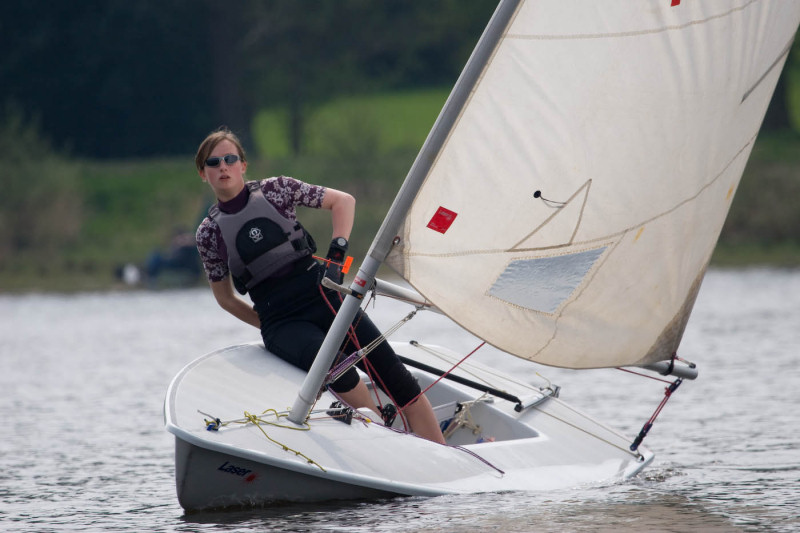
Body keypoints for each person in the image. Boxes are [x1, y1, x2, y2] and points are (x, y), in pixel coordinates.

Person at [194, 127, 445, 444]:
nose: (223, 167)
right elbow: (225, 299)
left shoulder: (277, 189)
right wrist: (268, 325)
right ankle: (384, 433)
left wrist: (338, 260)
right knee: (338, 369)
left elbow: (344, 202)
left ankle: (441, 454)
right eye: (214, 163)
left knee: (399, 381)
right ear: (203, 173)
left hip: (325, 297)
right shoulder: (208, 233)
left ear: (243, 165)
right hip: (282, 322)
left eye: (230, 159)